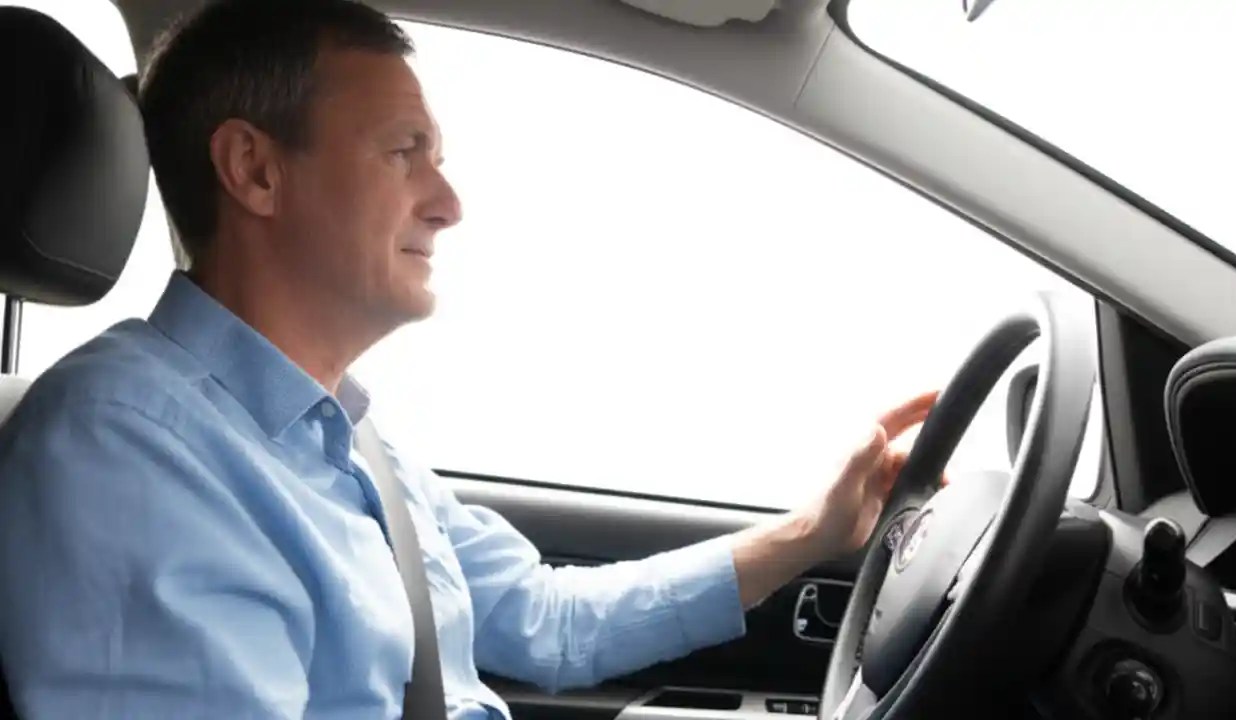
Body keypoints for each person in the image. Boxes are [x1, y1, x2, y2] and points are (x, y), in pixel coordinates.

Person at [0, 0, 937, 717]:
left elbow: (546, 621)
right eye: (403, 153)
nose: (448, 203)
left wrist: (809, 534)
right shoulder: (124, 450)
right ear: (254, 170)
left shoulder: (343, 437)